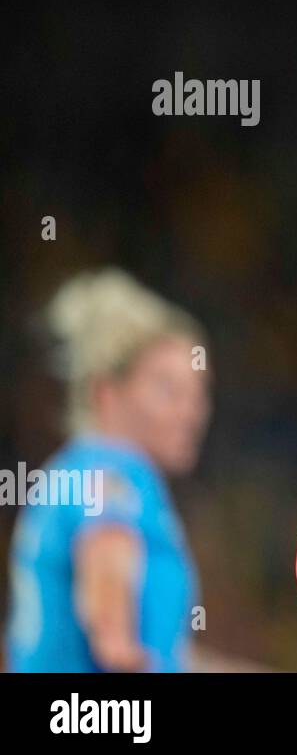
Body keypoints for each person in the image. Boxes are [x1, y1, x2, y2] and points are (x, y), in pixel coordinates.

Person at [6, 268, 211, 672]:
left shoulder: (69, 473)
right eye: (168, 389)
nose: (192, 412)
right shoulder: (114, 474)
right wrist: (112, 632)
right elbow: (110, 618)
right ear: (107, 392)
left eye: (199, 392)